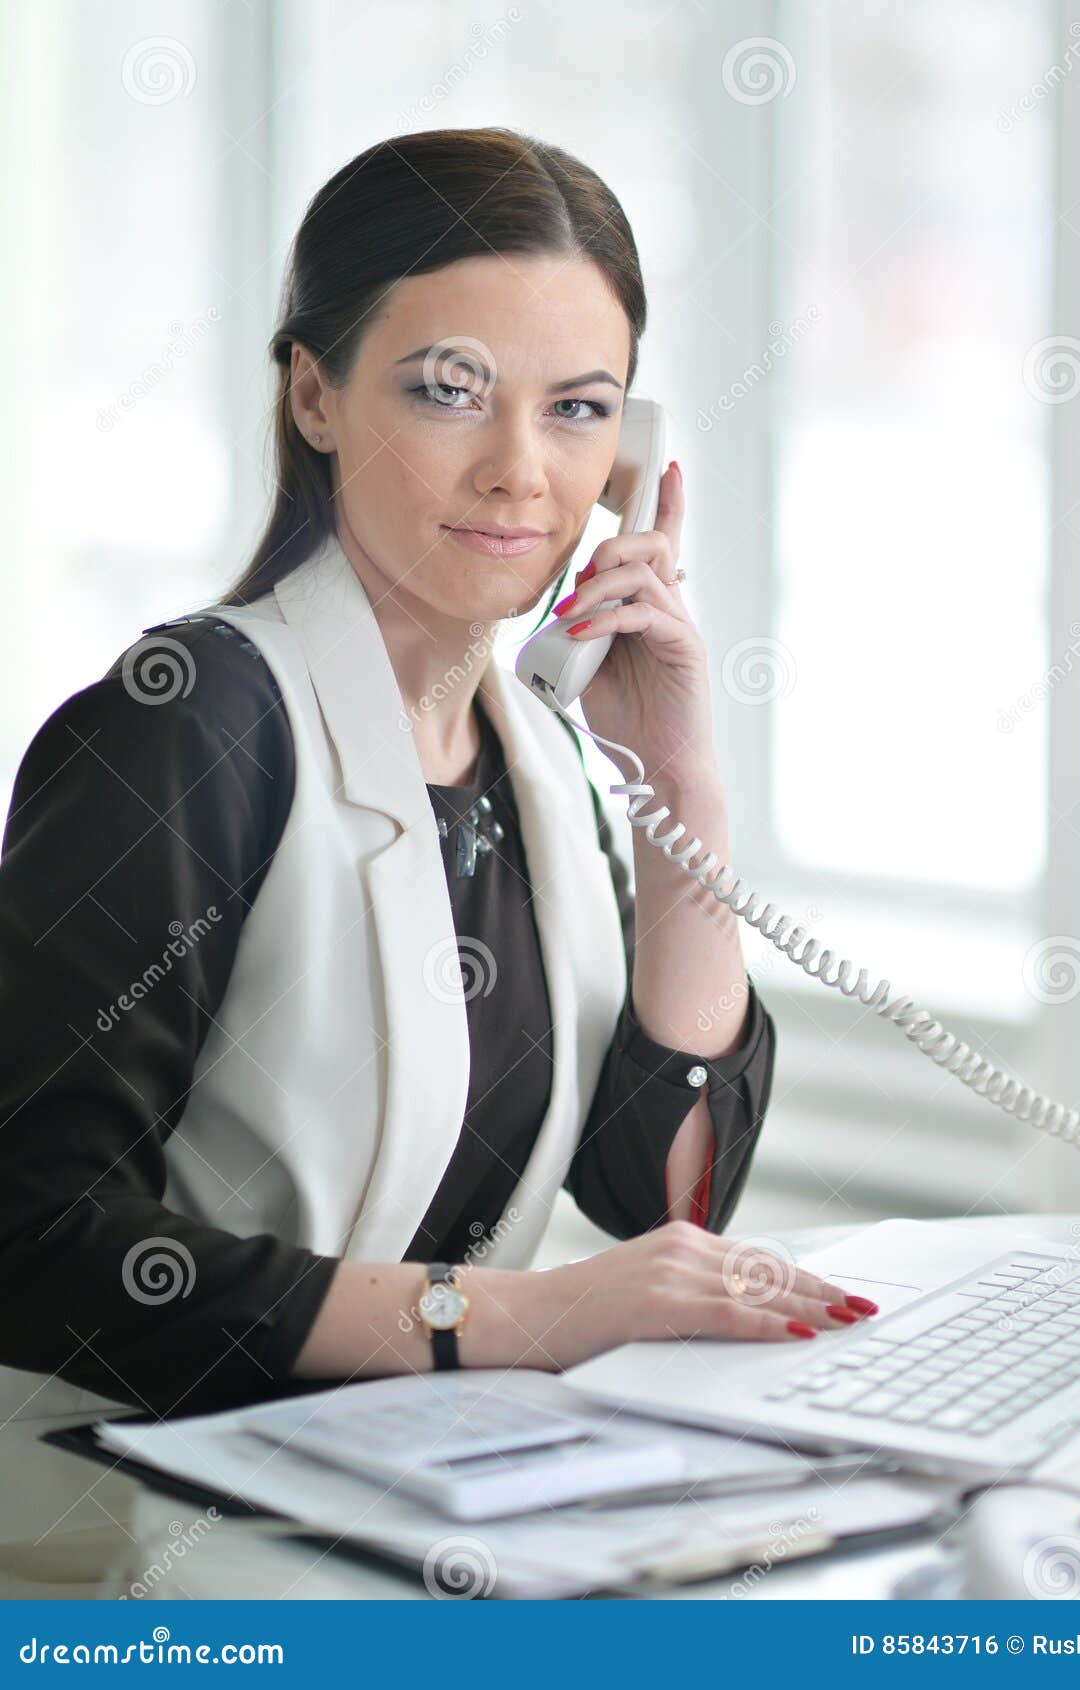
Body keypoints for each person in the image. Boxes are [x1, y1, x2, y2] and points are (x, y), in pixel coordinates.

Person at [0, 128, 876, 1423]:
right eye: (449, 389)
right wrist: (511, 1316)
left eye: (578, 408)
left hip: (404, 1480)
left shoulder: (543, 760)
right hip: (131, 1527)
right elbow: (33, 1243)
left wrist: (679, 788)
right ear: (315, 395)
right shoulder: (192, 725)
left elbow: (665, 1194)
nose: (523, 469)